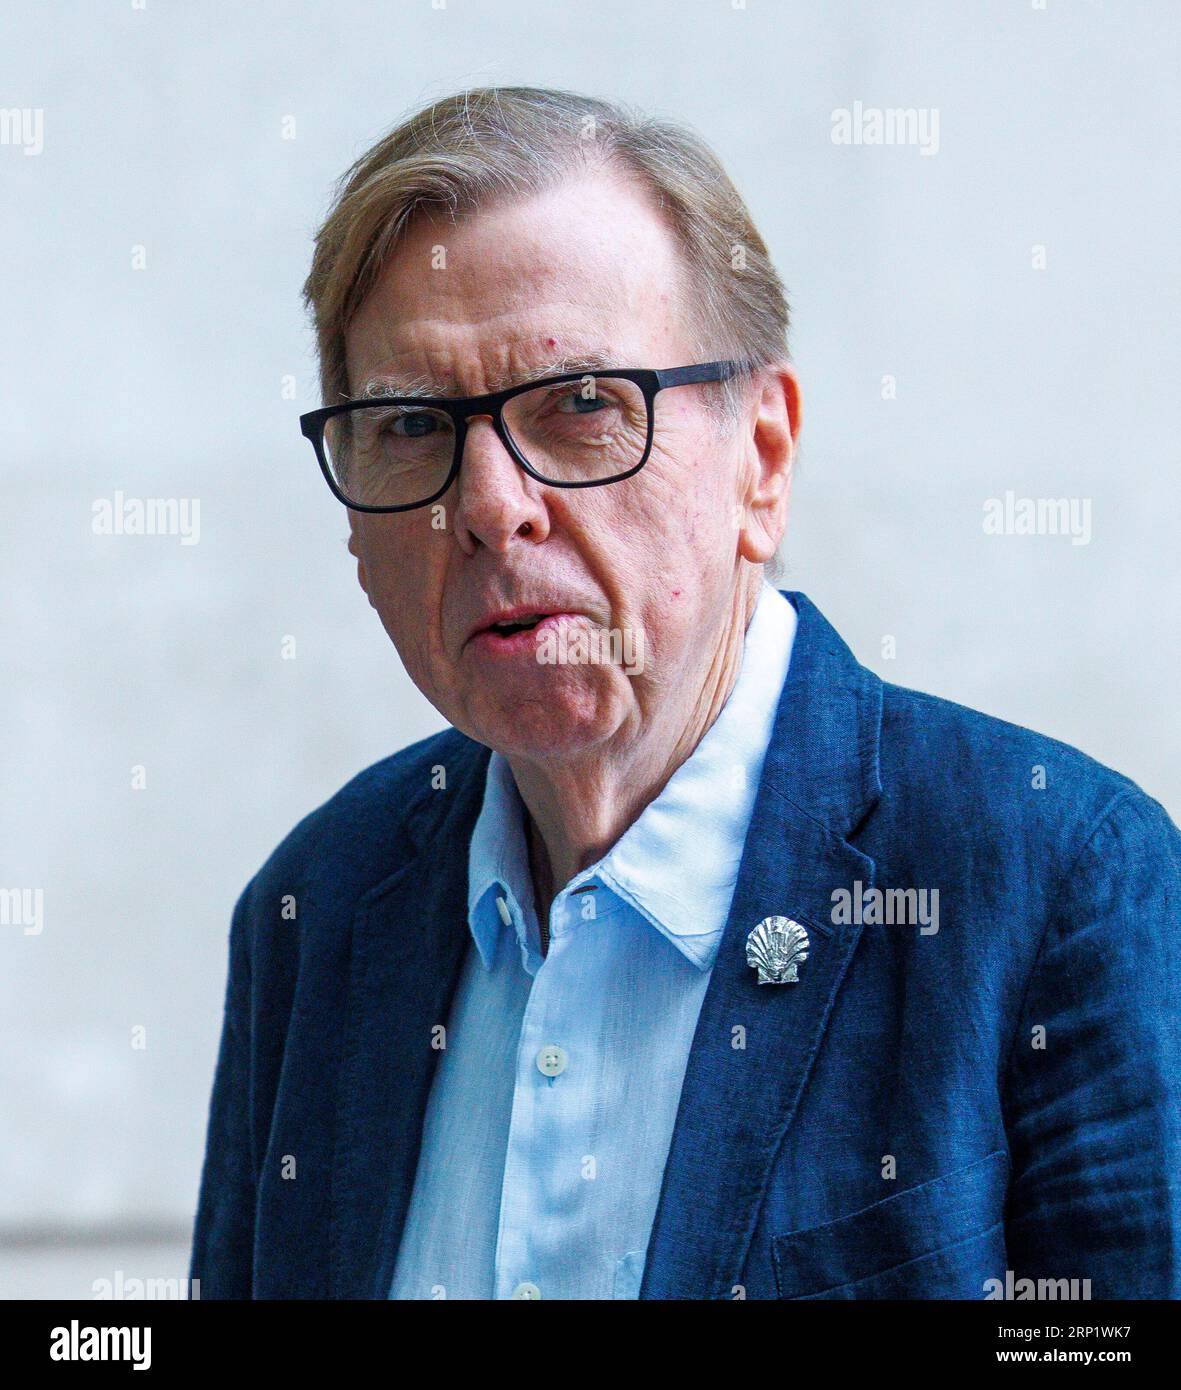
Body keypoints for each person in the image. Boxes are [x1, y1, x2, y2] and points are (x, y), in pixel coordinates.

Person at [190, 86, 1181, 1300]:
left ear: (759, 459)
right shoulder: (318, 906)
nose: (493, 506)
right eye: (408, 422)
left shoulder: (1055, 877)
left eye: (582, 405)